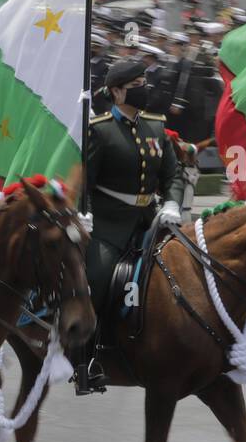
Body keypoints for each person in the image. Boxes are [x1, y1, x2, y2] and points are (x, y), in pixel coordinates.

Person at [75, 59, 182, 394]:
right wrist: (85, 213)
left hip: (151, 219)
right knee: (96, 279)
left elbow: (172, 174)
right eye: (135, 84)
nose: (143, 88)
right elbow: (83, 183)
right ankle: (87, 360)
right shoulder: (100, 130)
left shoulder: (155, 127)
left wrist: (172, 202)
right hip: (109, 225)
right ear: (117, 92)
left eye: (143, 82)